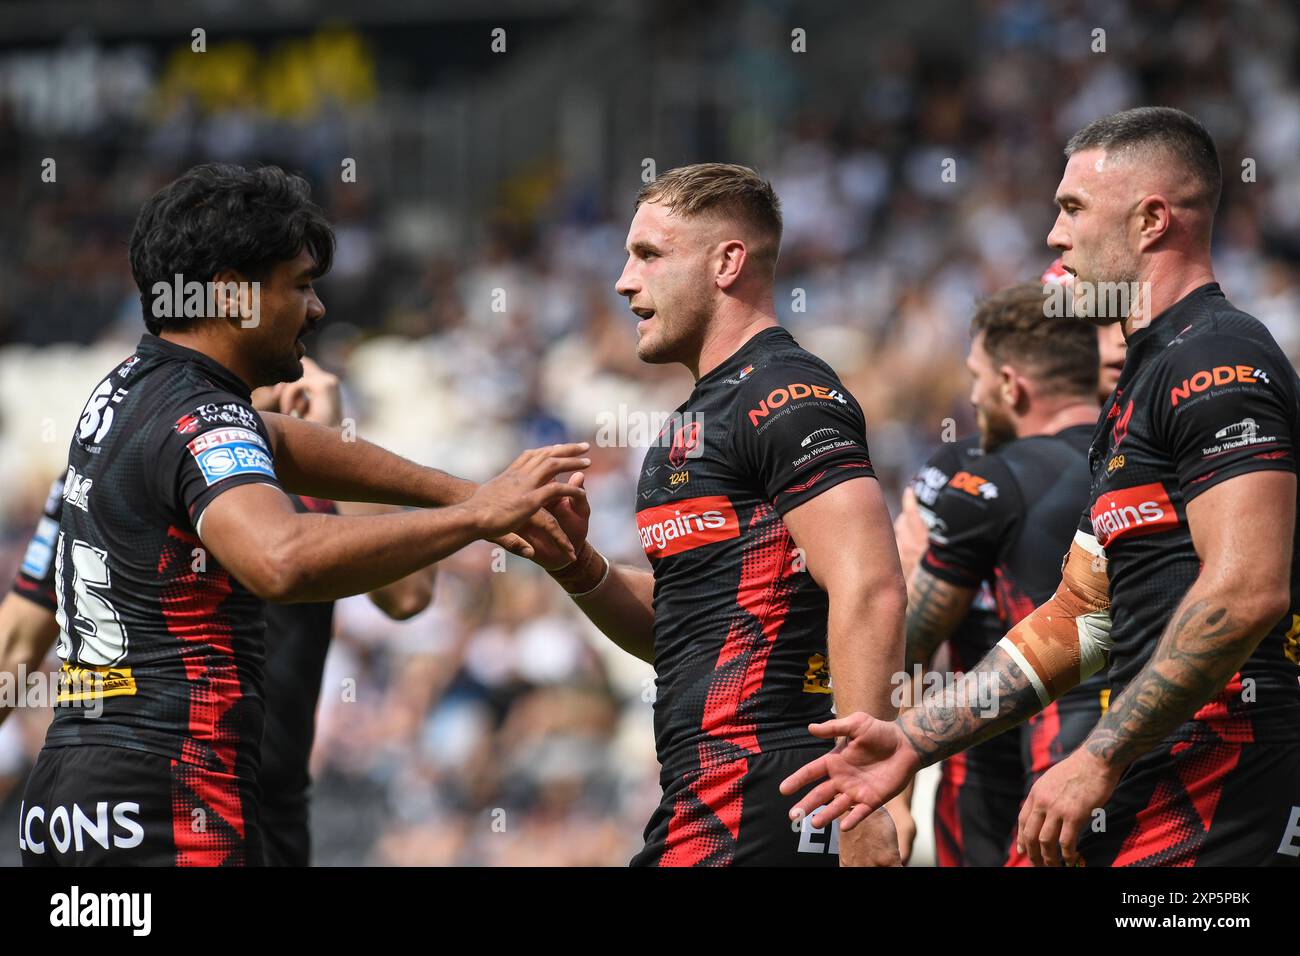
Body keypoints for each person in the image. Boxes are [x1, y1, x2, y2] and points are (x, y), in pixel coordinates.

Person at [18, 162, 584, 866]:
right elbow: (280, 560)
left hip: (73, 803)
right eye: (300, 284)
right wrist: (472, 521)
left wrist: (473, 494)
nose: (316, 309)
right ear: (231, 295)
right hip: (171, 803)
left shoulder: (125, 396)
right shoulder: (204, 418)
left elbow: (286, 445)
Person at [782, 106, 1300, 867]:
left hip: (1228, 781)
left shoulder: (1217, 358)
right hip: (1163, 776)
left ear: (1152, 220)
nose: (1054, 236)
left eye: (1072, 209)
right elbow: (1081, 618)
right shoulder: (1138, 388)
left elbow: (1247, 591)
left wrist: (1099, 755)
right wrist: (912, 741)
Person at [527, 163, 907, 866]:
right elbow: (681, 631)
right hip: (711, 787)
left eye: (648, 255)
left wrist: (863, 793)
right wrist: (576, 565)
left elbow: (871, 586)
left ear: (727, 262)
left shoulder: (787, 392)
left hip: (768, 782)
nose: (622, 281)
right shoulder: (694, 422)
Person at [897, 283, 1106, 866]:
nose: (973, 396)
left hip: (1015, 776)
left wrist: (906, 573)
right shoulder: (1148, 459)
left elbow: (907, 643)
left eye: (977, 377)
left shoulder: (978, 480)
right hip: (1139, 759)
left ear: (1011, 385)